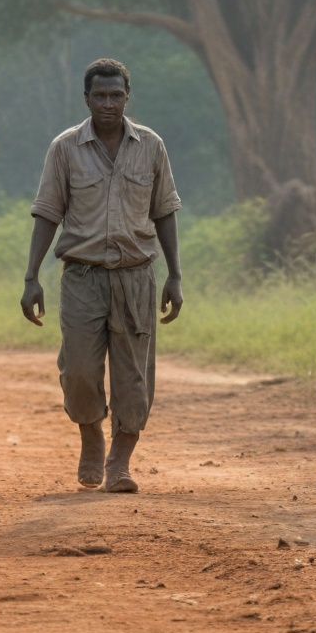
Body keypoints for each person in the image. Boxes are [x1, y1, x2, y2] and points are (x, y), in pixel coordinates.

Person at [21, 58, 183, 493]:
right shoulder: (65, 148)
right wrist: (31, 277)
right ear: (86, 99)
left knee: (133, 375)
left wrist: (175, 276)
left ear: (128, 98)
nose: (108, 104)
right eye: (100, 96)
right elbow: (47, 212)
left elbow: (165, 211)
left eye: (116, 95)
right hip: (81, 276)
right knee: (78, 370)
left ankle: (119, 463)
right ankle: (91, 439)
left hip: (136, 276)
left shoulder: (151, 146)